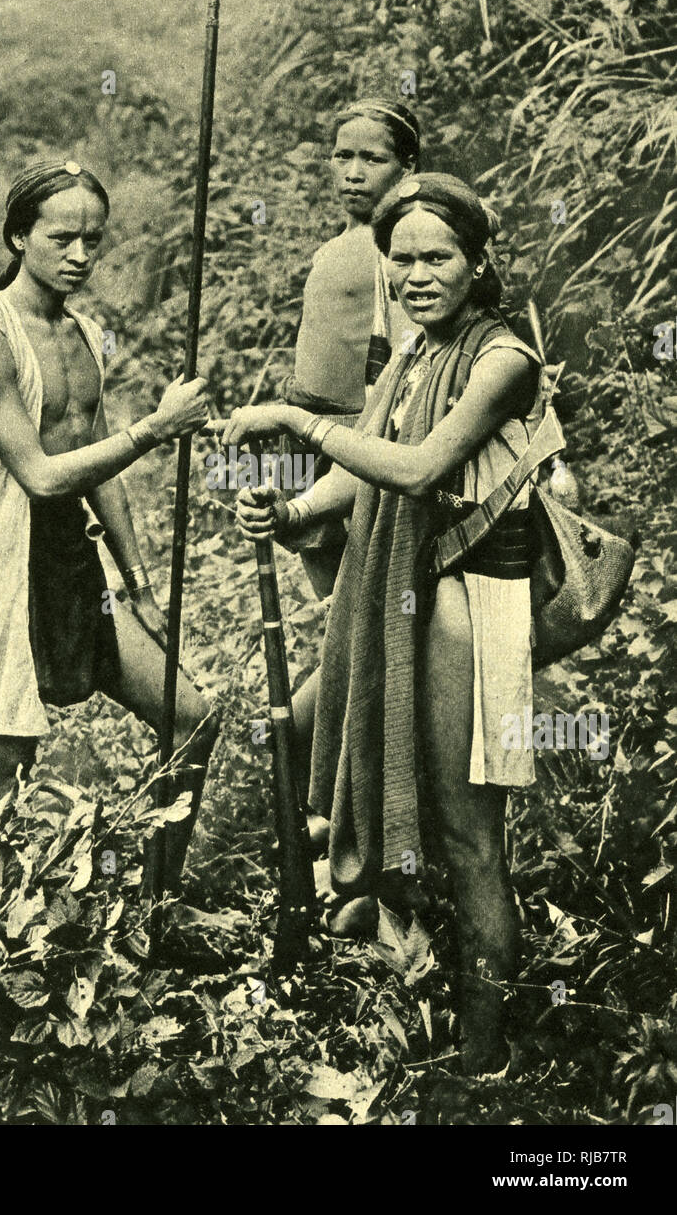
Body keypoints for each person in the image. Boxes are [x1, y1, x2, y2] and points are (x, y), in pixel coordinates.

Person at [224, 173, 543, 1076]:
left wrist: (295, 421)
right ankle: (444, 1014)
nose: (414, 274)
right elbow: (363, 469)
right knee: (440, 829)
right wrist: (289, 516)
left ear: (477, 262)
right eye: (398, 258)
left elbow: (414, 468)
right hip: (418, 604)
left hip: (478, 608)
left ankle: (488, 1061)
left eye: (436, 256)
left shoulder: (500, 360)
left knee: (472, 838)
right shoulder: (410, 355)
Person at [0, 158, 217, 893]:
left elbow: (100, 472)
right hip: (7, 568)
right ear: (16, 238)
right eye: (62, 238)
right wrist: (155, 429)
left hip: (75, 563)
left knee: (192, 718)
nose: (79, 256)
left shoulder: (87, 335)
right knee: (5, 765)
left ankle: (158, 900)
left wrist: (137, 582)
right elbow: (38, 475)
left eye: (93, 241)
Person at [281, 97, 420, 598]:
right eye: (343, 157)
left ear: (407, 168)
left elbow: (411, 352)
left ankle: (357, 671)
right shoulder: (333, 247)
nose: (354, 173)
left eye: (372, 159)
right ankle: (339, 668)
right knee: (324, 577)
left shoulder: (400, 249)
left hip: (359, 434)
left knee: (368, 584)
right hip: (303, 430)